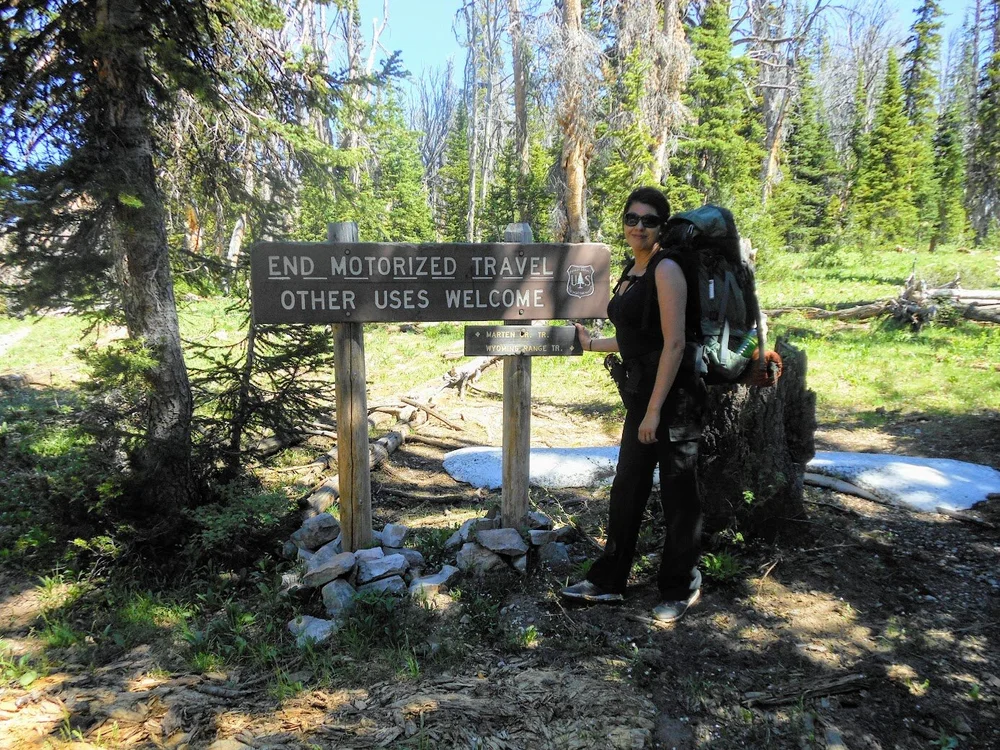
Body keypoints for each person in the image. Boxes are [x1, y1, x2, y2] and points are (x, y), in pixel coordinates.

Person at [562, 186, 705, 623]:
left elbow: (675, 343)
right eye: (632, 218)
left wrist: (656, 410)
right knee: (628, 487)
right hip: (643, 396)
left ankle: (680, 585)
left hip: (673, 399)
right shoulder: (632, 270)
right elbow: (637, 338)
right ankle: (609, 580)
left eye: (649, 220)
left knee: (679, 492)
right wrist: (592, 345)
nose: (638, 227)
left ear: (662, 227)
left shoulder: (666, 269)